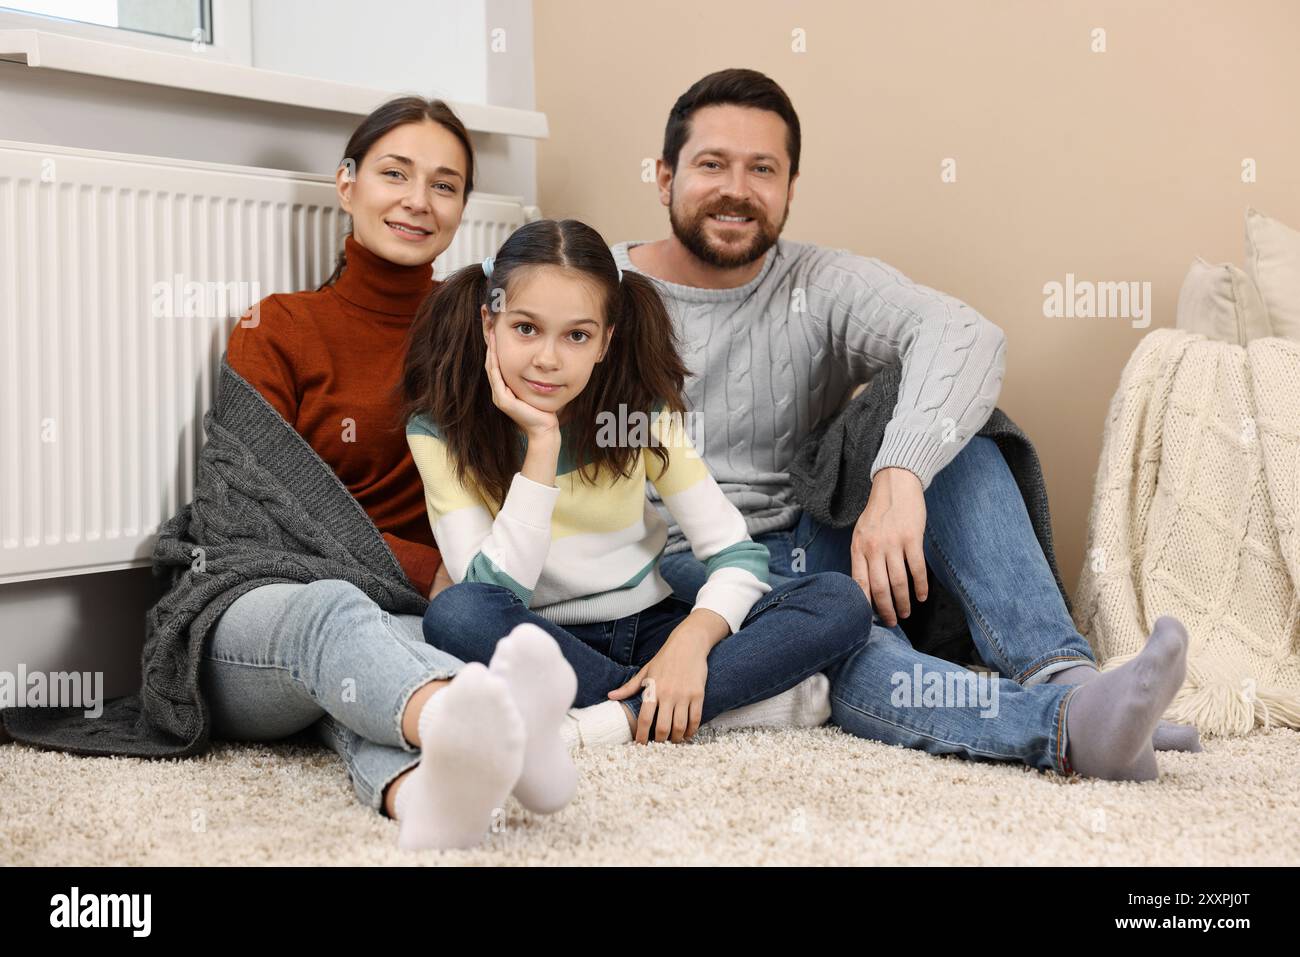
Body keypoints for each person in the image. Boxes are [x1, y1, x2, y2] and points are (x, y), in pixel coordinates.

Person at [613, 68, 1197, 780]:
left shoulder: (815, 282)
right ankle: (1075, 730)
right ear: (664, 175)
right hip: (691, 572)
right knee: (847, 648)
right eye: (712, 164)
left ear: (790, 188)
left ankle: (1065, 677)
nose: (737, 188)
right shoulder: (600, 294)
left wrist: (900, 475)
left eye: (762, 168)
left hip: (818, 536)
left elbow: (964, 332)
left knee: (956, 429)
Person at [206, 95, 578, 851]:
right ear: (346, 184)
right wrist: (418, 566)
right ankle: (465, 724)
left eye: (443, 185)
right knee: (339, 614)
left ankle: (421, 798)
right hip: (255, 609)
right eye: (394, 174)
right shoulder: (275, 327)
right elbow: (241, 515)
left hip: (400, 618)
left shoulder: (484, 331)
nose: (418, 201)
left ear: (462, 207)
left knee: (366, 684)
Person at [403, 217, 873, 747]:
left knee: (839, 599)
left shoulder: (636, 416)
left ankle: (612, 721)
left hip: (651, 627)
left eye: (577, 335)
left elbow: (736, 556)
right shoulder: (439, 432)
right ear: (490, 325)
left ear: (605, 342)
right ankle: (696, 710)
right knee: (455, 615)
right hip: (539, 644)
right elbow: (492, 592)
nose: (547, 359)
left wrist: (692, 642)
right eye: (525, 328)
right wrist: (541, 445)